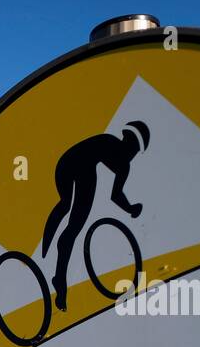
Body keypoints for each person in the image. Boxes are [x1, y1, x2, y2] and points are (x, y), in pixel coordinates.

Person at [41, 120, 149, 310]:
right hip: (70, 163)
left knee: (72, 228)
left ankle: (60, 278)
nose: (131, 153)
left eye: (134, 150)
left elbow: (116, 195)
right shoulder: (108, 141)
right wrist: (131, 208)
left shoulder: (124, 166)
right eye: (131, 145)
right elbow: (81, 157)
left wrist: (131, 208)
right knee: (66, 205)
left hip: (86, 169)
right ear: (126, 138)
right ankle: (54, 259)